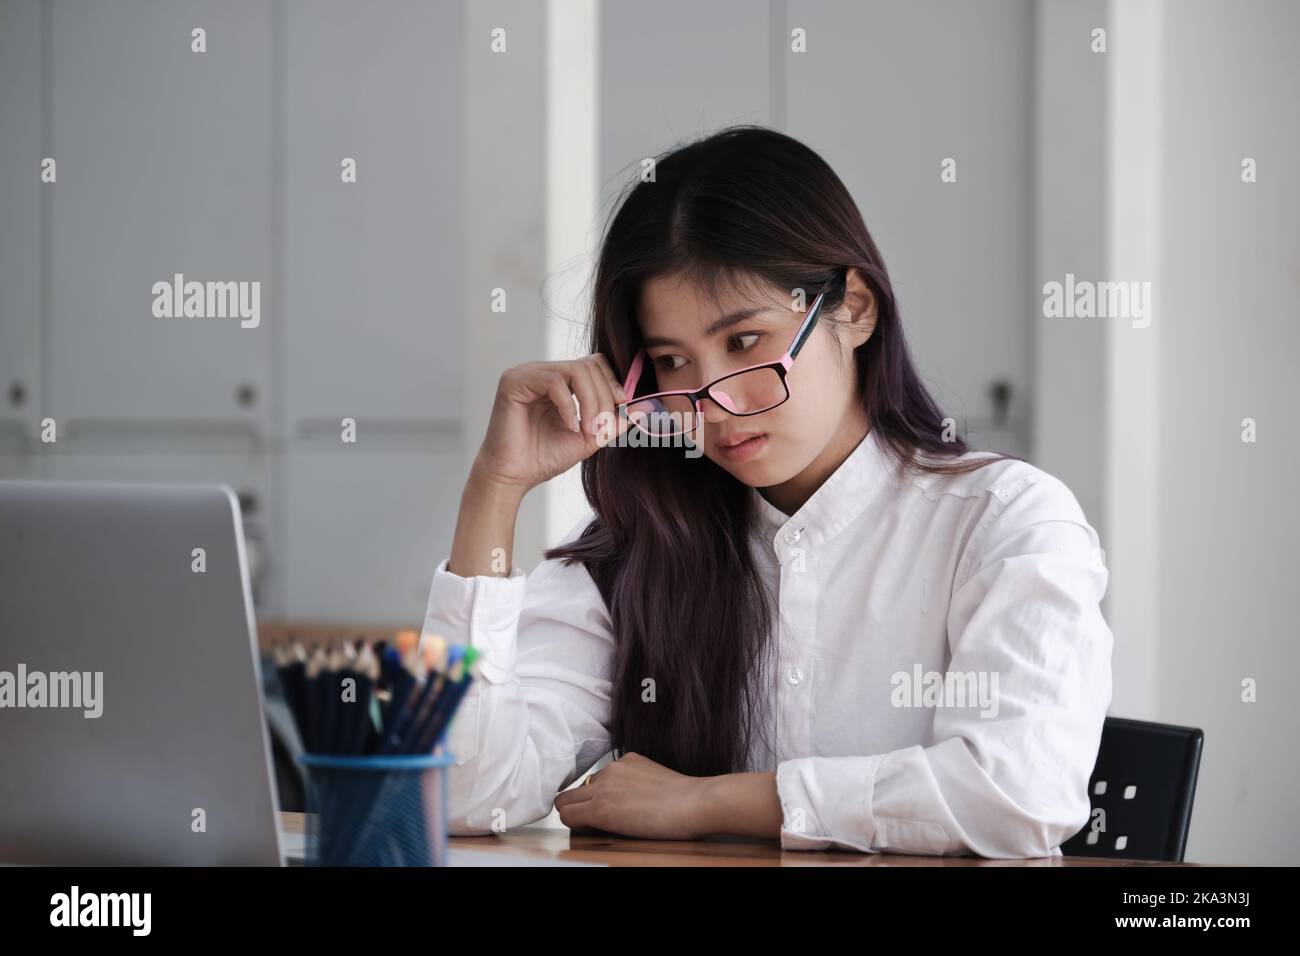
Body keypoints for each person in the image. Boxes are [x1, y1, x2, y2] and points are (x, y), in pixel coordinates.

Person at [425, 125, 1112, 857]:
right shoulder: (637, 550)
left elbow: (1018, 793)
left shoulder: (1002, 523)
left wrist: (711, 801)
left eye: (745, 343)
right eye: (671, 361)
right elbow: (463, 796)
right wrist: (495, 489)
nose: (711, 403)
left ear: (853, 310)